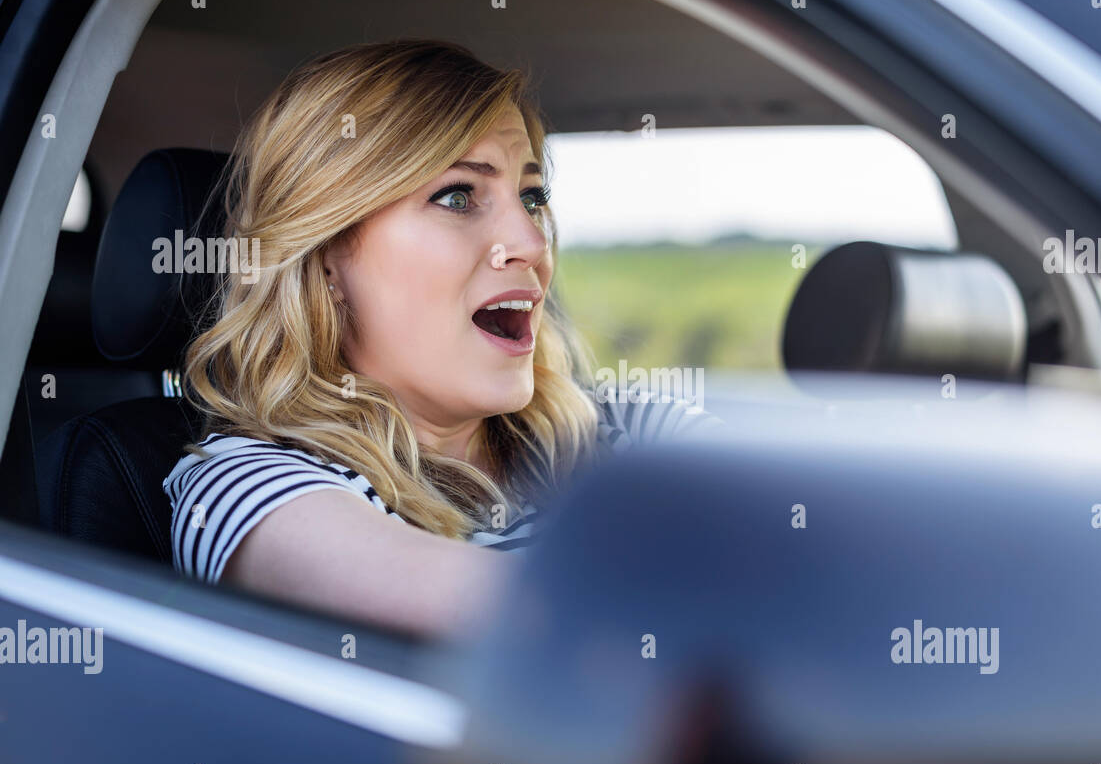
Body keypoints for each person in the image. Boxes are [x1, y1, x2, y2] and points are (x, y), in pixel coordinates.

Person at [163, 40, 718, 639]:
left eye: (532, 198)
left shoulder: (612, 428)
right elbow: (559, 619)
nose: (532, 244)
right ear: (328, 260)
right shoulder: (243, 489)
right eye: (457, 196)